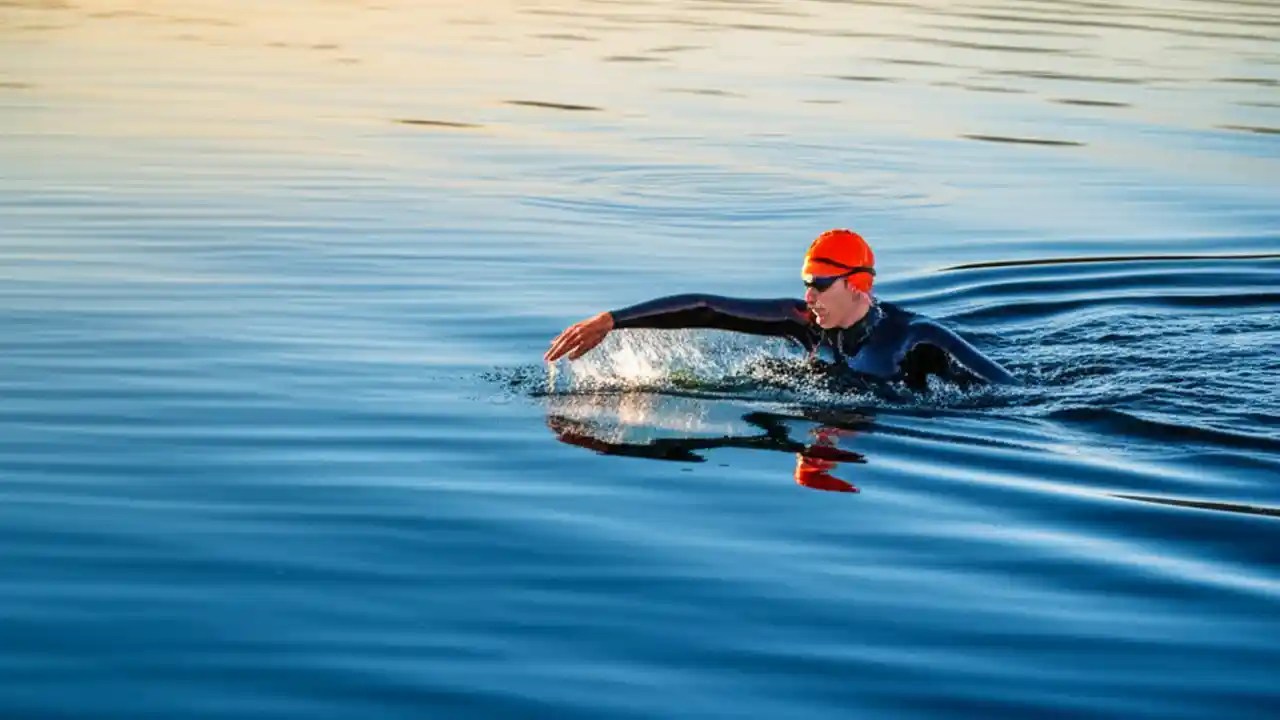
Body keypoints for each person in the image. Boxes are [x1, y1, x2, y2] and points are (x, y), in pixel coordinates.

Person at [544, 228, 1017, 389]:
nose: (808, 297)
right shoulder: (805, 324)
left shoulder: (918, 337)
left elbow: (1013, 393)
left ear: (857, 286)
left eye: (818, 286)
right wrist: (612, 320)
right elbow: (709, 308)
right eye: (805, 285)